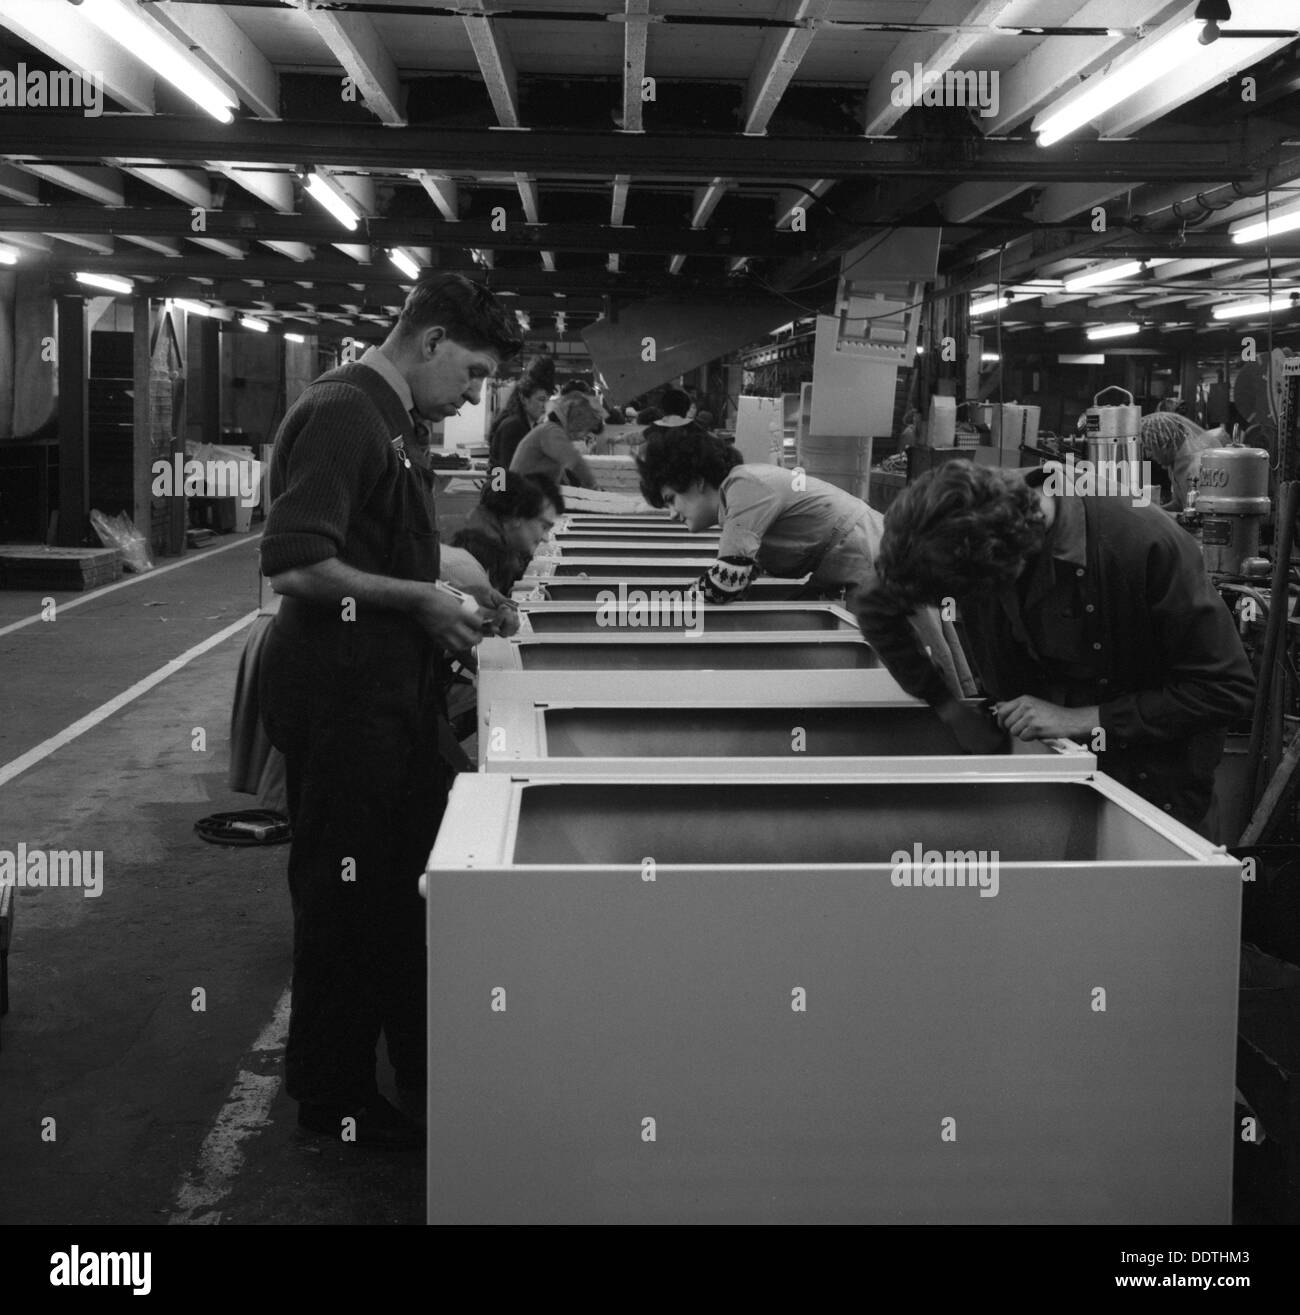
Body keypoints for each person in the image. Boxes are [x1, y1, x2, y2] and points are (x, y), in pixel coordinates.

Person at [258, 273, 522, 1149]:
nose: (473, 394)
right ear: (433, 339)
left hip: (387, 692)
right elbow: (296, 562)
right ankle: (331, 1097)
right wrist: (419, 599)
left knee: (414, 877)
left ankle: (416, 1053)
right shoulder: (347, 410)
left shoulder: (395, 419)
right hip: (340, 696)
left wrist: (447, 594)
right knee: (345, 893)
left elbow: (383, 543)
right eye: (474, 373)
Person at [853, 460, 1255, 832]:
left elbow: (1226, 689)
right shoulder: (956, 525)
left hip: (1151, 793)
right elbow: (875, 607)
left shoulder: (1144, 545)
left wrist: (1083, 718)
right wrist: (946, 706)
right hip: (1044, 778)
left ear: (1010, 569)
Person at [635, 430, 971, 696]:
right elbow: (739, 576)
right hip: (862, 564)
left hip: (879, 560)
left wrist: (657, 607)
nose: (672, 514)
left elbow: (727, 583)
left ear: (696, 480)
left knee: (923, 675)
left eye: (670, 500)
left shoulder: (743, 486)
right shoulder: (738, 500)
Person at [453, 471, 565, 594]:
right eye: (544, 527)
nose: (546, 538)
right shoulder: (476, 562)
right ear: (517, 516)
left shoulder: (489, 543)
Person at [1138, 411, 1228, 512]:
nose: (1148, 455)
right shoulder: (1173, 465)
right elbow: (1179, 505)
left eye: (1150, 448)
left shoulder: (1196, 467)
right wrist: (1153, 512)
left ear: (1164, 442)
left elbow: (1202, 513)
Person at [511, 390, 602, 488]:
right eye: (586, 429)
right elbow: (575, 462)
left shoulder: (551, 431)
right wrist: (593, 486)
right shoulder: (551, 432)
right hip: (523, 495)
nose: (584, 436)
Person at [488, 376, 548, 472]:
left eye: (547, 400)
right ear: (524, 399)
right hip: (502, 485)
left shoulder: (531, 425)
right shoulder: (513, 426)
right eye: (541, 399)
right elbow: (510, 473)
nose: (545, 406)